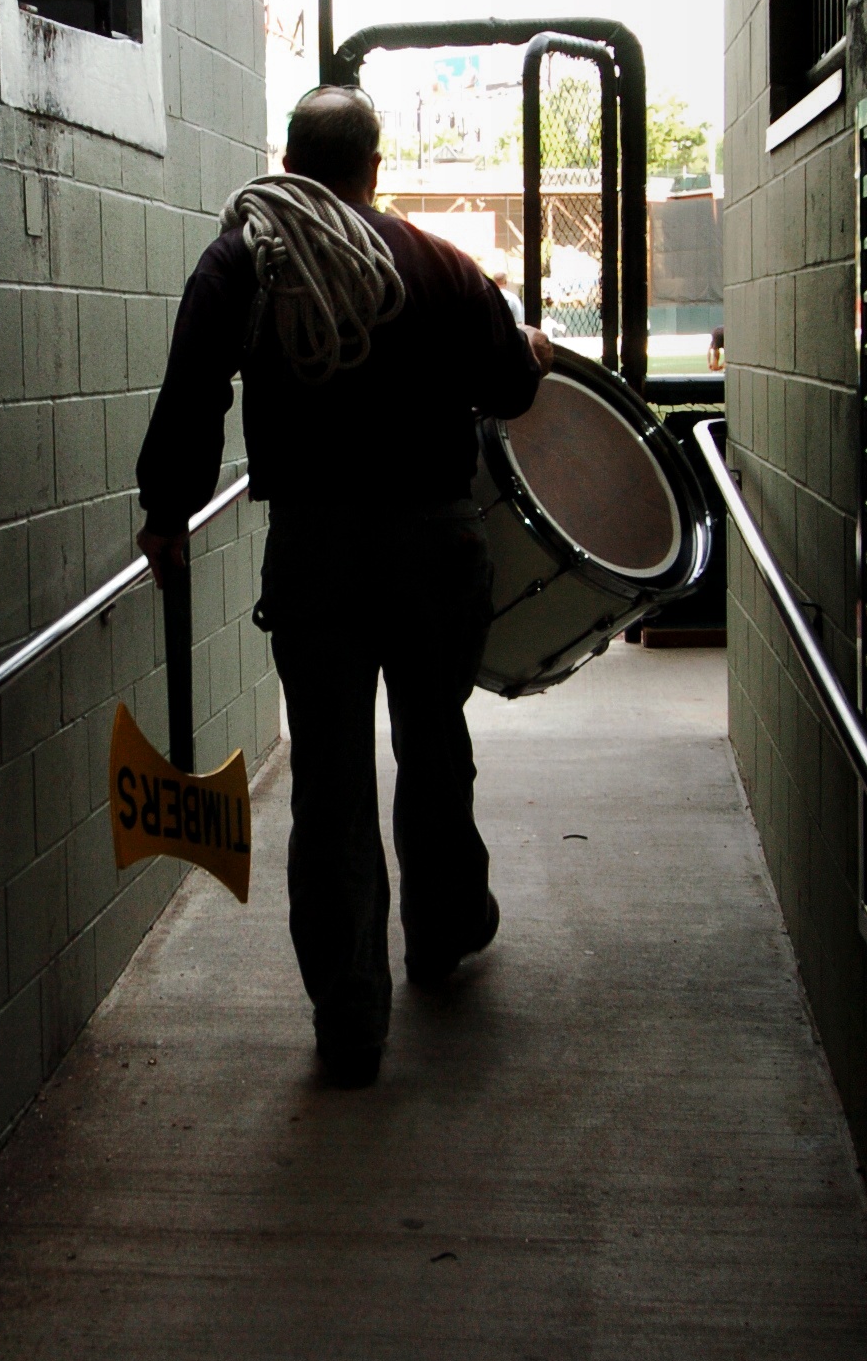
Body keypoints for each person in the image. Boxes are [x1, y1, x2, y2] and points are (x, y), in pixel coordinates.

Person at [135, 85, 553, 1086]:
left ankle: (351, 1021)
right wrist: (528, 352)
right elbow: (507, 388)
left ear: (286, 157)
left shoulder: (244, 258)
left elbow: (192, 387)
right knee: (432, 738)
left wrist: (165, 511)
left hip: (318, 547)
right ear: (374, 169)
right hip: (436, 544)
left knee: (328, 777)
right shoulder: (441, 264)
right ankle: (444, 931)